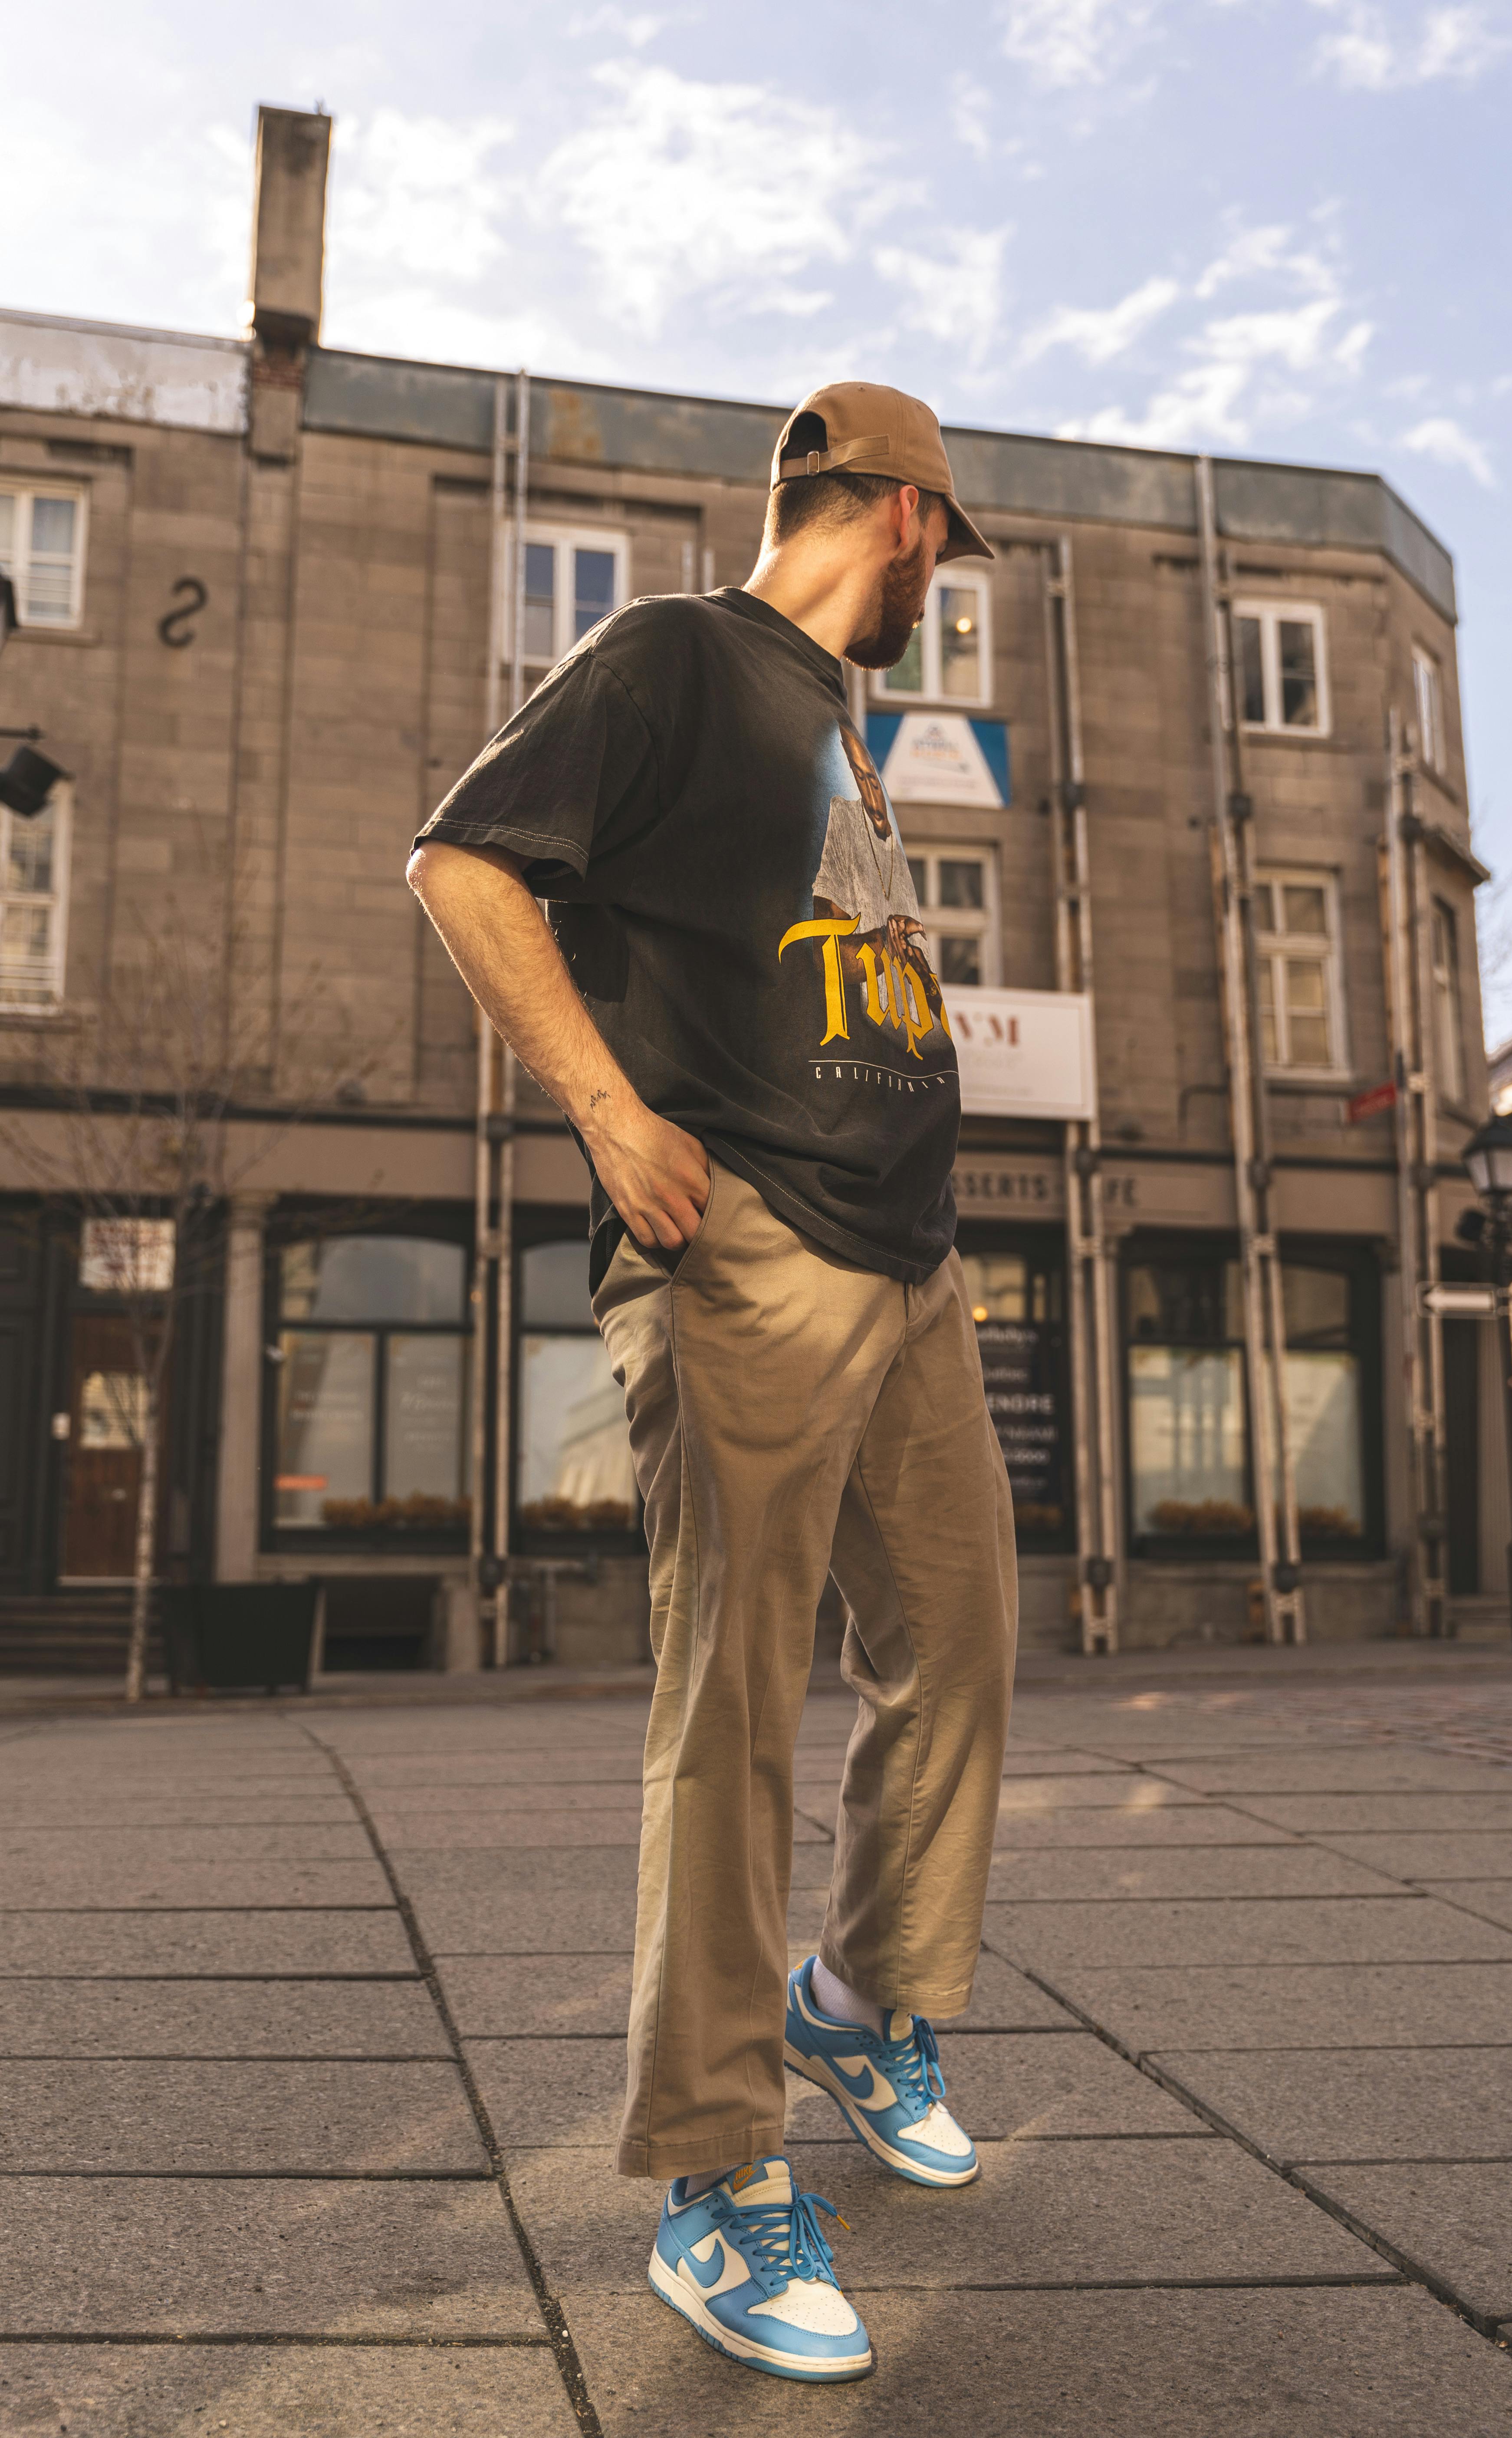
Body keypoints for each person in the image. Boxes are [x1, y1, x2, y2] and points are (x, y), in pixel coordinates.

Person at [407, 380, 1019, 2386]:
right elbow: (466, 865)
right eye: (952, 548)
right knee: (732, 1709)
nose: (945, 582)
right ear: (910, 513)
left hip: (907, 1262)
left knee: (959, 1638)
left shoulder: (836, 722)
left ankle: (866, 1996)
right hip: (742, 1240)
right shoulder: (675, 650)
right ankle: (718, 2178)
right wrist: (606, 1113)